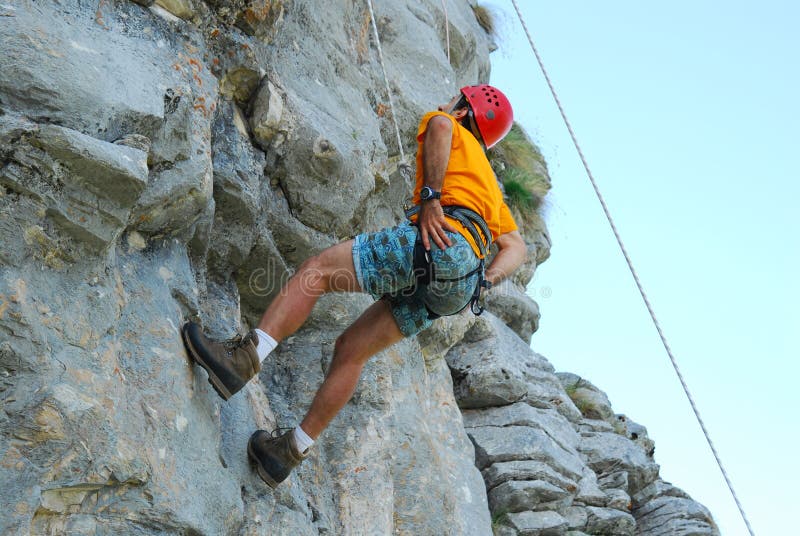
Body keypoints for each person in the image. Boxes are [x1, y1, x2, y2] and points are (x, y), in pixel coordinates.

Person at [181, 84, 527, 488]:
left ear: (466, 111)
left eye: (455, 100)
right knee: (352, 351)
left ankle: (241, 359)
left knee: (316, 273)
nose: (443, 103)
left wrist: (431, 200)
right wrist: (484, 281)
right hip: (458, 285)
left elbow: (438, 130)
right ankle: (287, 452)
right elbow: (515, 246)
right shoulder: (489, 186)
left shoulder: (447, 122)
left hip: (439, 238)